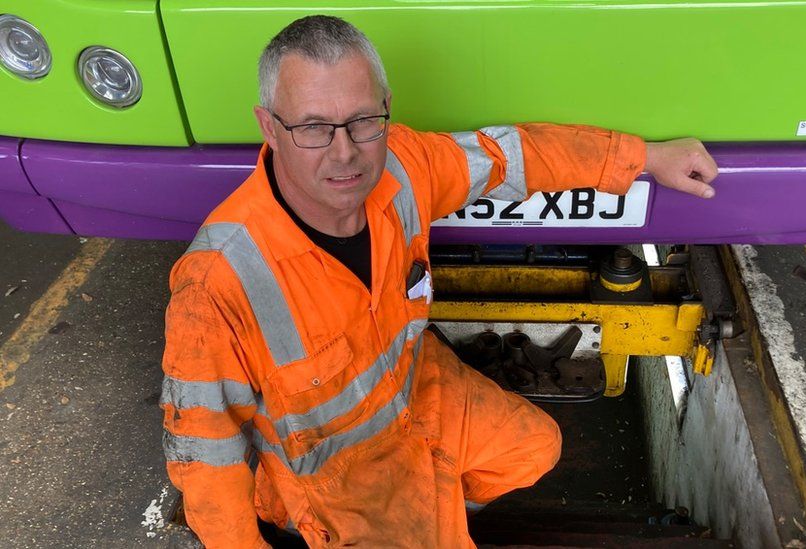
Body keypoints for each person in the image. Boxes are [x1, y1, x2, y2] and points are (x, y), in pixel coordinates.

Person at [160, 15, 718, 549]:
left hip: (415, 392)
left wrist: (645, 157)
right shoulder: (218, 284)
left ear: (386, 110)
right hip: (336, 479)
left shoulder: (403, 165)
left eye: (362, 120)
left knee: (534, 448)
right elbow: (204, 457)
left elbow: (511, 157)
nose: (345, 151)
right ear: (269, 128)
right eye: (312, 127)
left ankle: (441, 510)